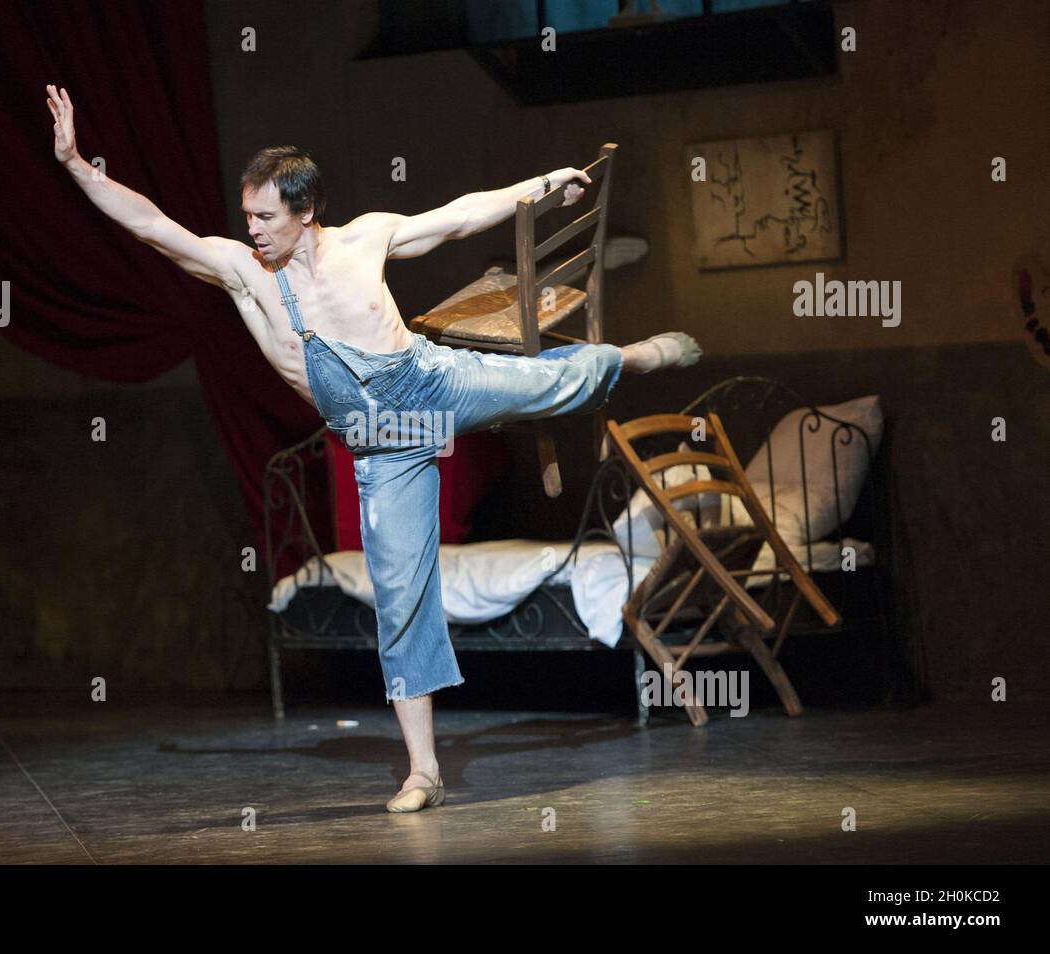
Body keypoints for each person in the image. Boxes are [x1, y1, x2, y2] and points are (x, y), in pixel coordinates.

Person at [46, 85, 701, 812]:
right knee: (400, 594)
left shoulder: (364, 240)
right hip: (380, 445)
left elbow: (456, 217)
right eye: (248, 217)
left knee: (544, 383)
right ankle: (423, 770)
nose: (253, 230)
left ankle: (632, 358)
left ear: (305, 211)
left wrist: (543, 186)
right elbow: (156, 228)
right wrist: (78, 165)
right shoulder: (246, 276)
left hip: (431, 384)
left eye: (266, 217)